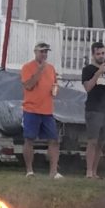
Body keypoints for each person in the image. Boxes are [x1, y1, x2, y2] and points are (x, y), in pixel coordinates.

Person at [20, 41, 62, 179]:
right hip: (31, 109)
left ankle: (53, 171)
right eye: (41, 51)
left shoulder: (51, 68)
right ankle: (29, 170)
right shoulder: (27, 67)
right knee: (29, 139)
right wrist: (39, 70)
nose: (44, 54)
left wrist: (55, 89)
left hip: (47, 110)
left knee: (53, 140)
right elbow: (29, 85)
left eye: (46, 52)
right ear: (35, 52)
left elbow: (54, 86)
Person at [80, 40, 105, 180]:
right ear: (93, 55)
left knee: (101, 142)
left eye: (103, 53)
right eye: (98, 54)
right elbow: (88, 87)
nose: (101, 56)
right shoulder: (88, 70)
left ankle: (95, 171)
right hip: (93, 109)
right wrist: (98, 73)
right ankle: (88, 171)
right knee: (92, 141)